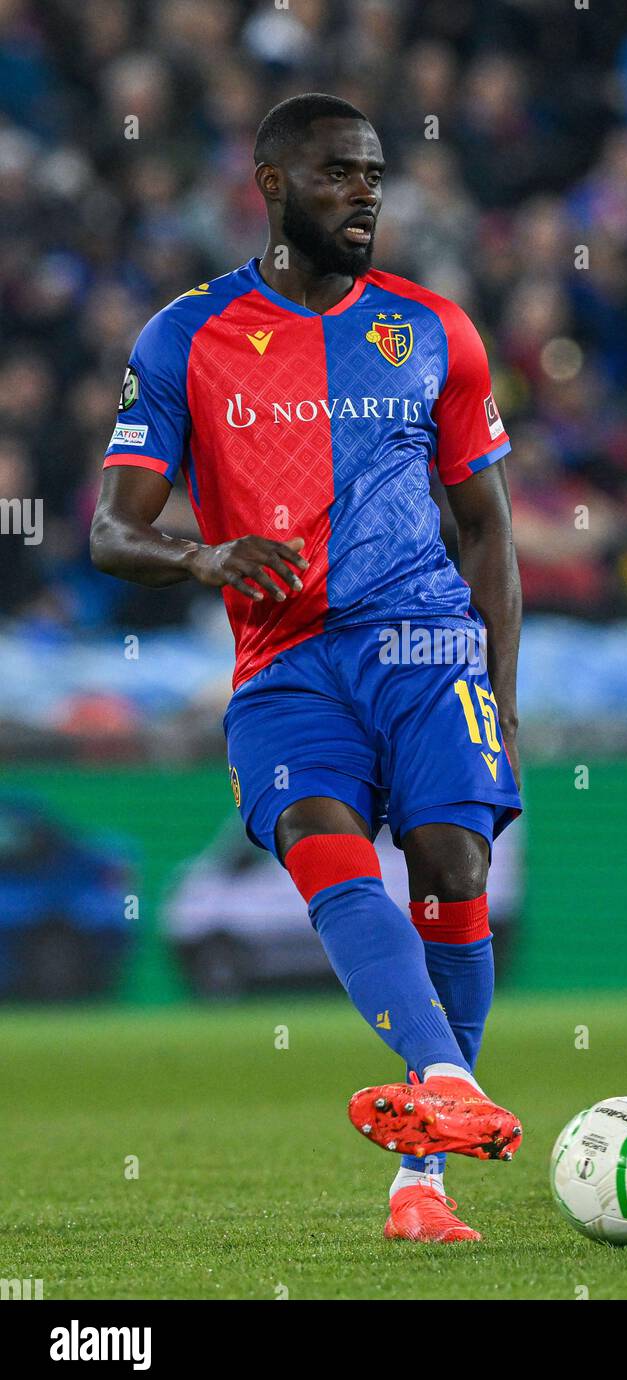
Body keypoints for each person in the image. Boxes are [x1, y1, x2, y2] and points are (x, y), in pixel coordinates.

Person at [90, 93, 523, 1243]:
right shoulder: (184, 337)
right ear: (273, 185)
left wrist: (506, 702)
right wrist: (204, 553)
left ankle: (421, 1183)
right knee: (323, 845)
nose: (366, 192)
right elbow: (109, 533)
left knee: (447, 855)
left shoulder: (435, 330)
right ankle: (448, 1087)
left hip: (425, 642)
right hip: (282, 661)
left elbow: (485, 528)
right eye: (339, 173)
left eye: (375, 173)